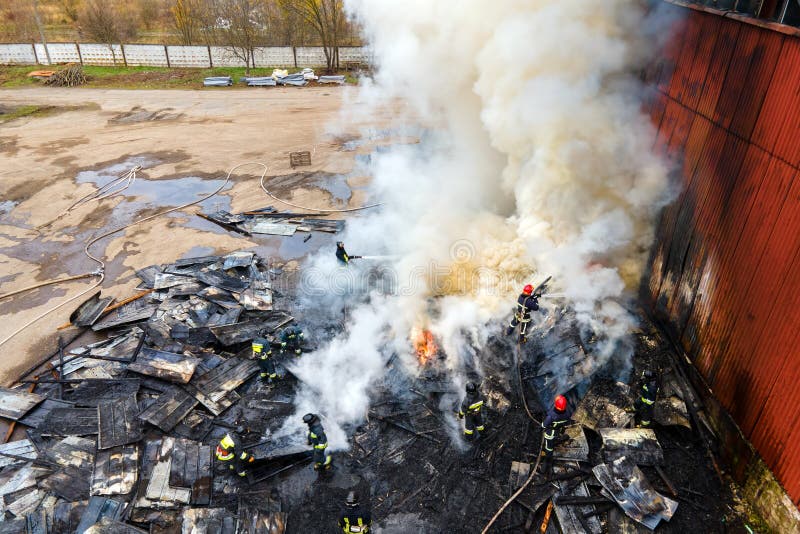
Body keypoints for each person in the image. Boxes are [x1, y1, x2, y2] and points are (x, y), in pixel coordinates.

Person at [540, 395, 571, 474]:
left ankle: (547, 460)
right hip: (558, 432)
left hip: (550, 434)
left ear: (556, 405)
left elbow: (543, 425)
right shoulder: (567, 414)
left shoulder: (551, 416)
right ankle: (549, 457)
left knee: (548, 447)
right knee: (553, 442)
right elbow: (566, 422)